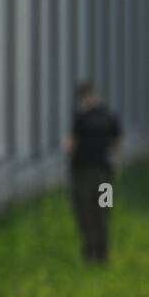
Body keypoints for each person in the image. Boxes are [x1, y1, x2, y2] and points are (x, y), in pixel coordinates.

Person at [64, 80, 121, 264]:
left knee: (85, 211)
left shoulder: (80, 119)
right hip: (105, 174)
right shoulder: (111, 117)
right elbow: (117, 148)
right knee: (104, 211)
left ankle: (90, 251)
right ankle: (103, 252)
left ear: (81, 98)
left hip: (83, 174)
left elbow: (71, 147)